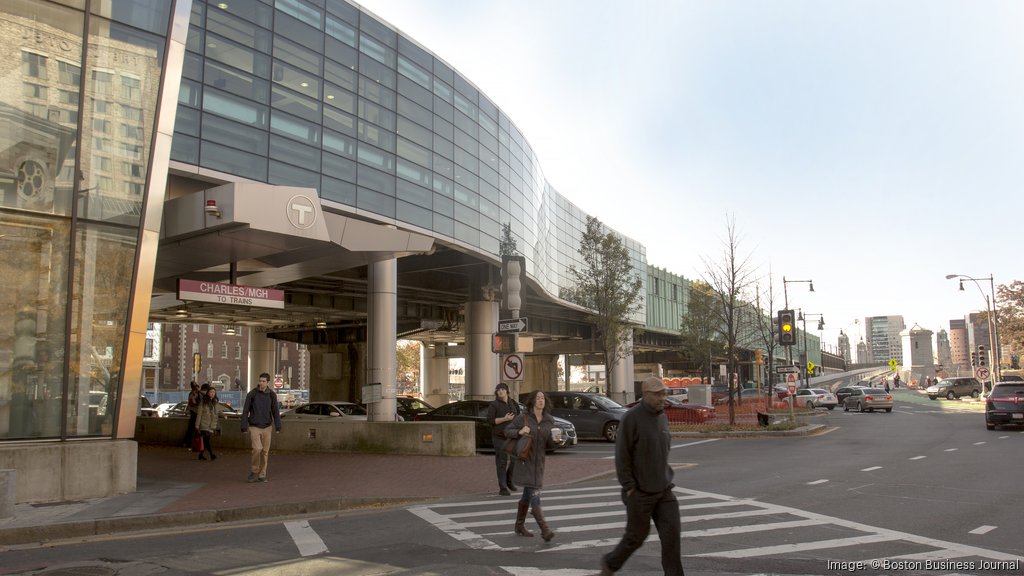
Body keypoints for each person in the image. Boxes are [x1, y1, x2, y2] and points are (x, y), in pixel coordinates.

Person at [601, 376, 684, 576]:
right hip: (640, 491)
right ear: (645, 395)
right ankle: (610, 564)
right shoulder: (632, 418)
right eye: (658, 394)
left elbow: (665, 447)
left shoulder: (662, 417)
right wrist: (629, 486)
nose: (662, 398)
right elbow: (622, 455)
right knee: (636, 536)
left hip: (664, 489)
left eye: (664, 393)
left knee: (671, 536)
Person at [506, 390, 557, 541]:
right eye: (538, 398)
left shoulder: (549, 420)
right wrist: (520, 431)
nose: (541, 400)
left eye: (542, 398)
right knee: (534, 493)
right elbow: (507, 430)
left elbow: (549, 444)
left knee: (527, 494)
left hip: (539, 462)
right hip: (525, 460)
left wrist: (556, 440)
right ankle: (544, 529)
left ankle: (519, 525)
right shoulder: (524, 418)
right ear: (533, 401)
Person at [240, 372, 282, 483]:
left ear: (268, 382)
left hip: (267, 427)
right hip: (254, 426)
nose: (261, 383)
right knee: (257, 449)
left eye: (263, 381)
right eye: (260, 381)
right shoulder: (252, 394)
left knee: (265, 451)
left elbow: (275, 411)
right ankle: (254, 471)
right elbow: (245, 411)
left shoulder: (272, 395)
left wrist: (278, 426)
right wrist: (244, 426)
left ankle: (262, 474)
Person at [486, 382, 519, 496]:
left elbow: (517, 417)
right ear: (496, 392)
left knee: (515, 460)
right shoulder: (494, 405)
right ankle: (503, 487)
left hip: (511, 436)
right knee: (502, 462)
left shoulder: (511, 403)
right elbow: (490, 421)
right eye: (498, 389)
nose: (500, 391)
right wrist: (504, 419)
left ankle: (509, 481)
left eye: (503, 389)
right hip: (499, 437)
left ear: (507, 391)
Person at [195, 385, 226, 460]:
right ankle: (211, 455)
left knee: (206, 441)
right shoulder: (203, 403)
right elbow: (199, 414)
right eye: (211, 392)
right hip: (204, 424)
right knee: (206, 440)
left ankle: (201, 455)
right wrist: (197, 425)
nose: (212, 393)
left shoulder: (215, 403)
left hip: (212, 425)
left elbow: (219, 411)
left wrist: (224, 415)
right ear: (208, 393)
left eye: (214, 392)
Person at [183, 381, 201, 449]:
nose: (196, 387)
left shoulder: (193, 393)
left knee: (191, 428)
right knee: (193, 428)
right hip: (195, 412)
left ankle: (187, 442)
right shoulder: (194, 393)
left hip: (193, 411)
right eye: (196, 386)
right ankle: (189, 442)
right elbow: (193, 402)